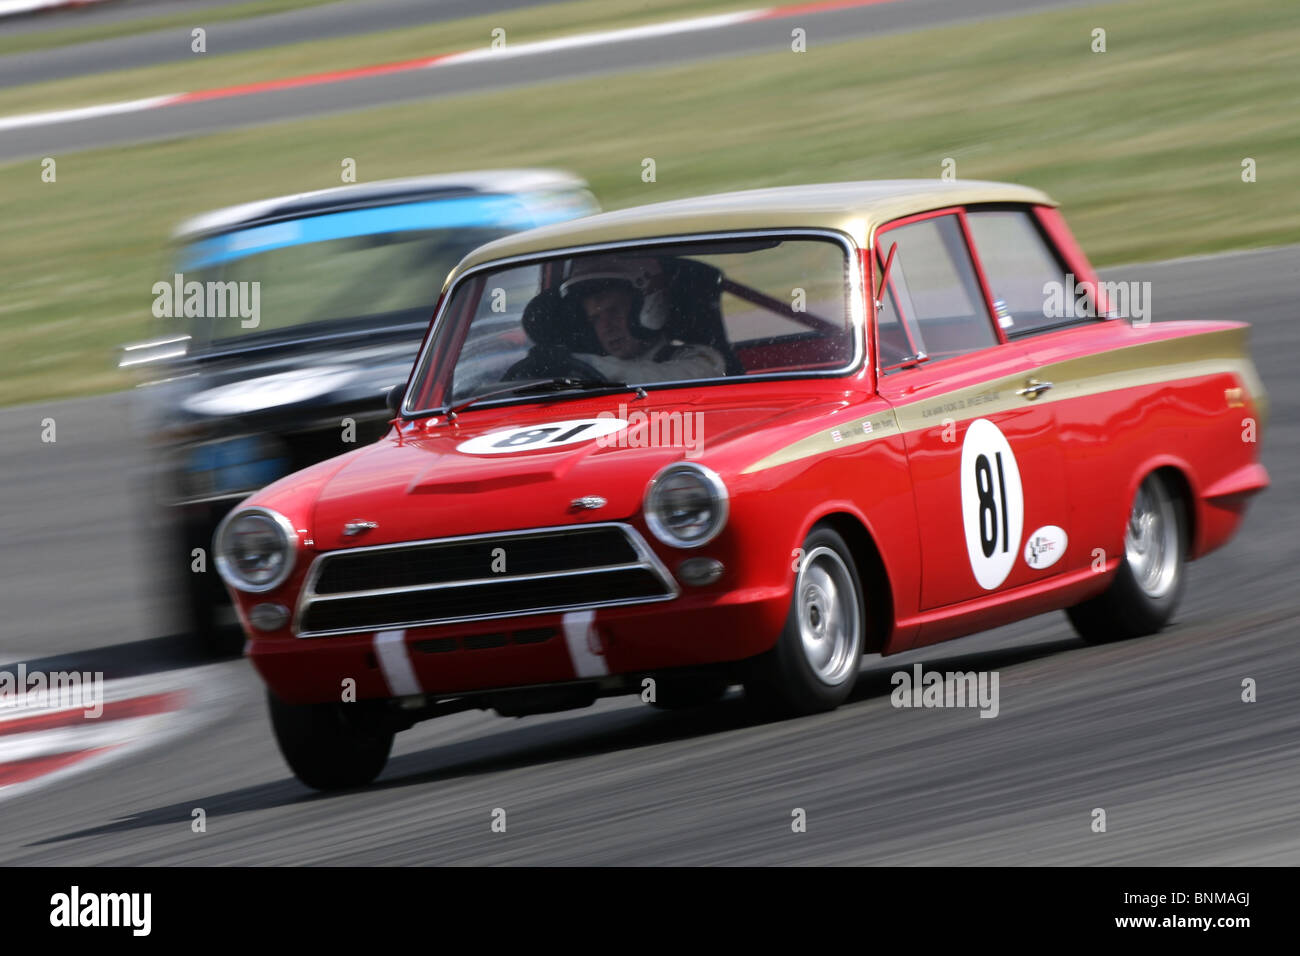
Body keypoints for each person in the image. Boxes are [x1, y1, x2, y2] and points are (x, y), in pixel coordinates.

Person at [559, 257, 726, 383]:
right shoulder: (573, 381)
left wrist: (580, 363)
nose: (605, 327)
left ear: (650, 306)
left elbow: (664, 377)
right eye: (594, 319)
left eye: (613, 311)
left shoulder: (701, 359)